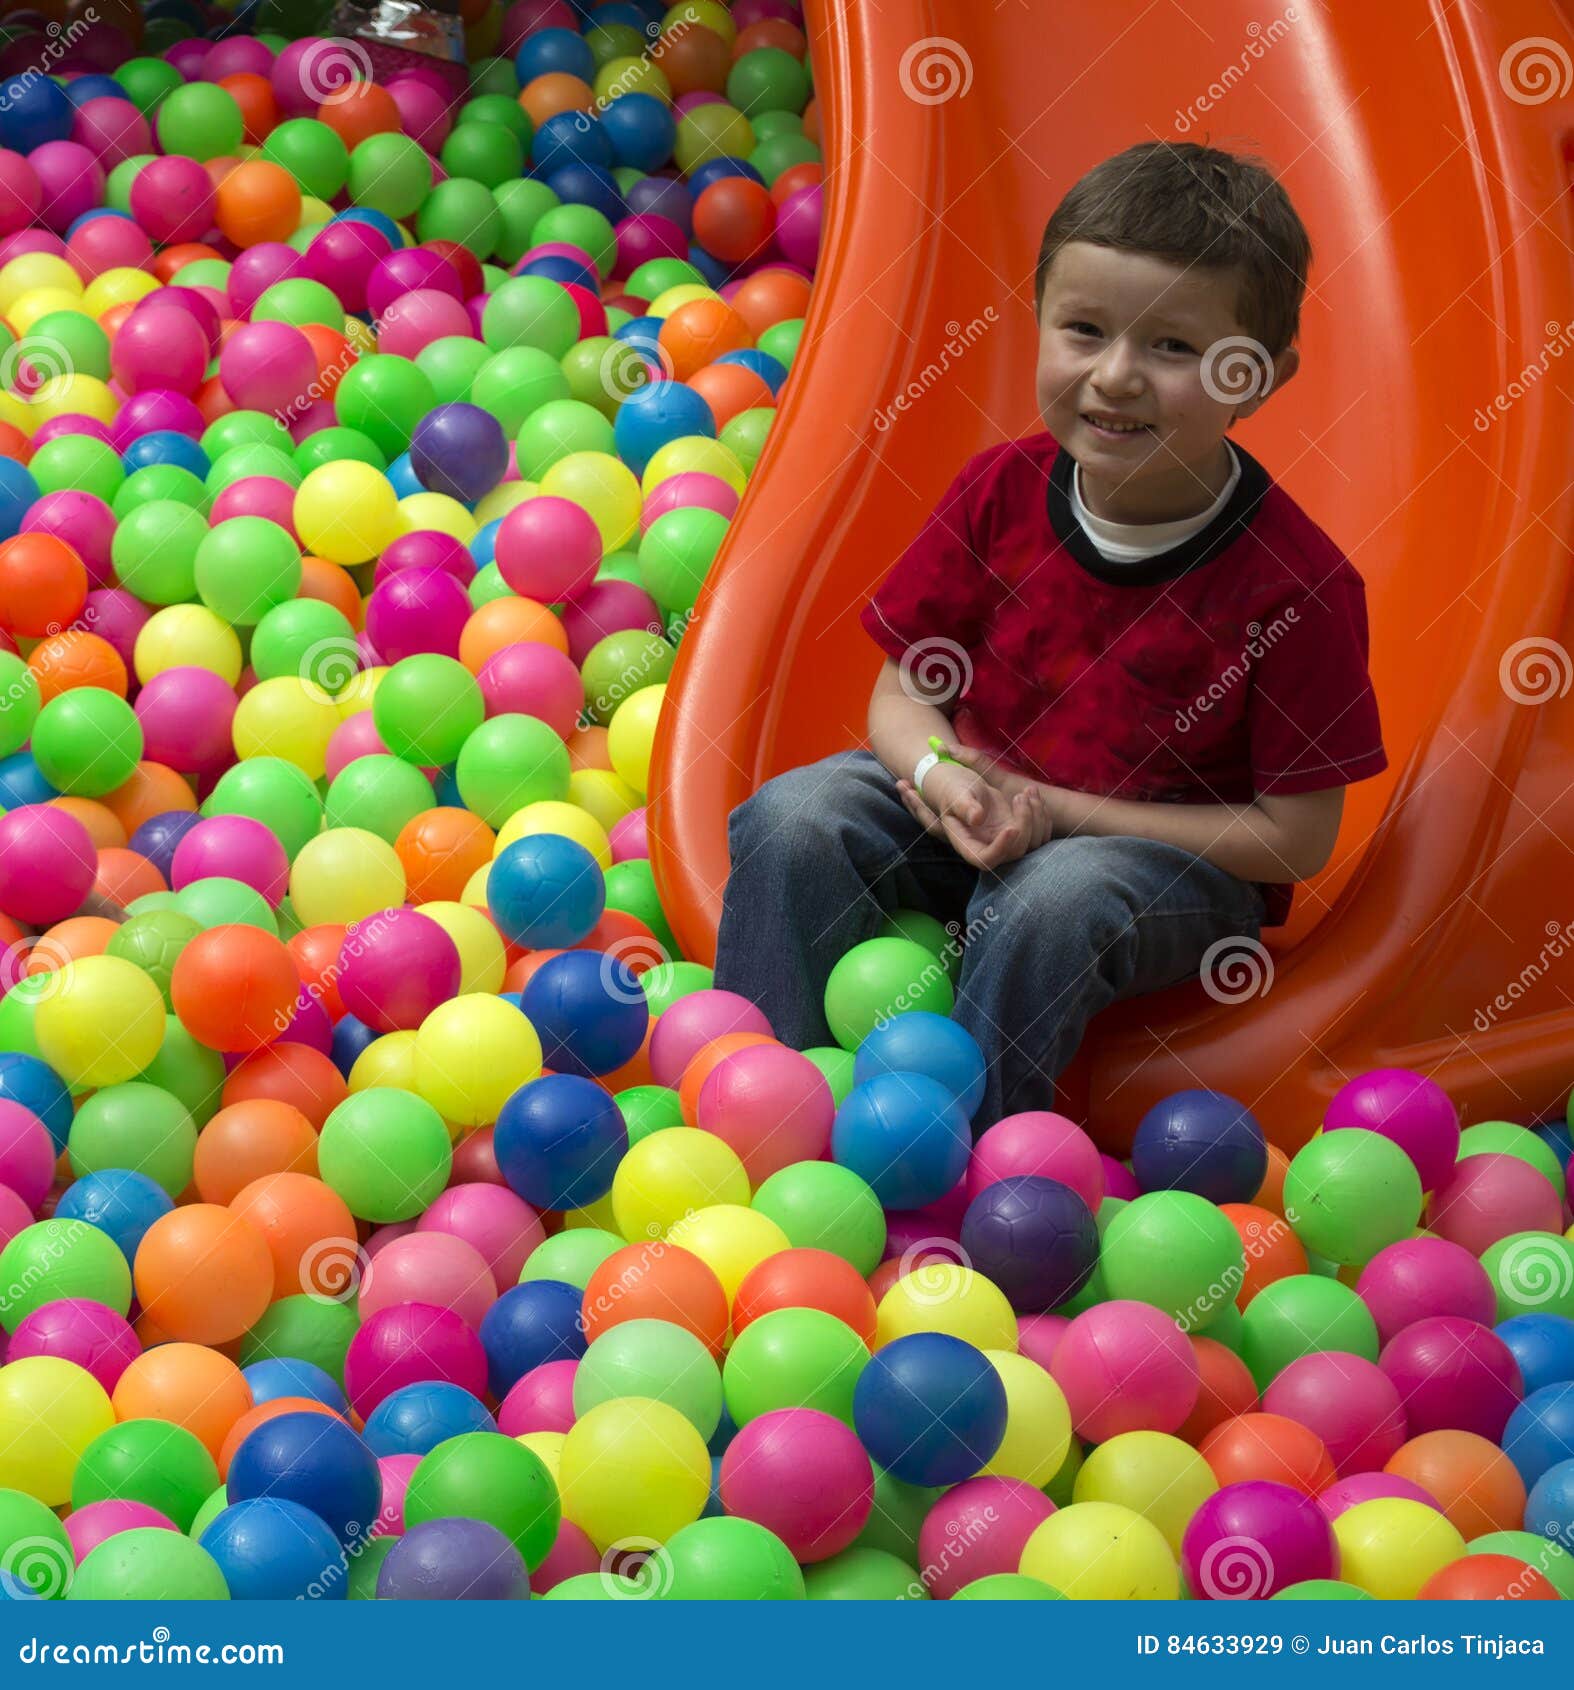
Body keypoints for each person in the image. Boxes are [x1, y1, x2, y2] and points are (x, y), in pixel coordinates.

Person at [712, 140, 1388, 1131]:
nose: (1114, 376)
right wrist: (944, 778)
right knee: (794, 815)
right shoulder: (999, 492)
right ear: (1038, 324)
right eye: (1083, 329)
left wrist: (1064, 814)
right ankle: (764, 1108)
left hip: (1155, 873)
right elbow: (905, 693)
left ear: (1259, 375)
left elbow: (1292, 841)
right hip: (978, 808)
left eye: (1172, 349)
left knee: (1047, 900)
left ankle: (982, 1161)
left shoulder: (1298, 589)